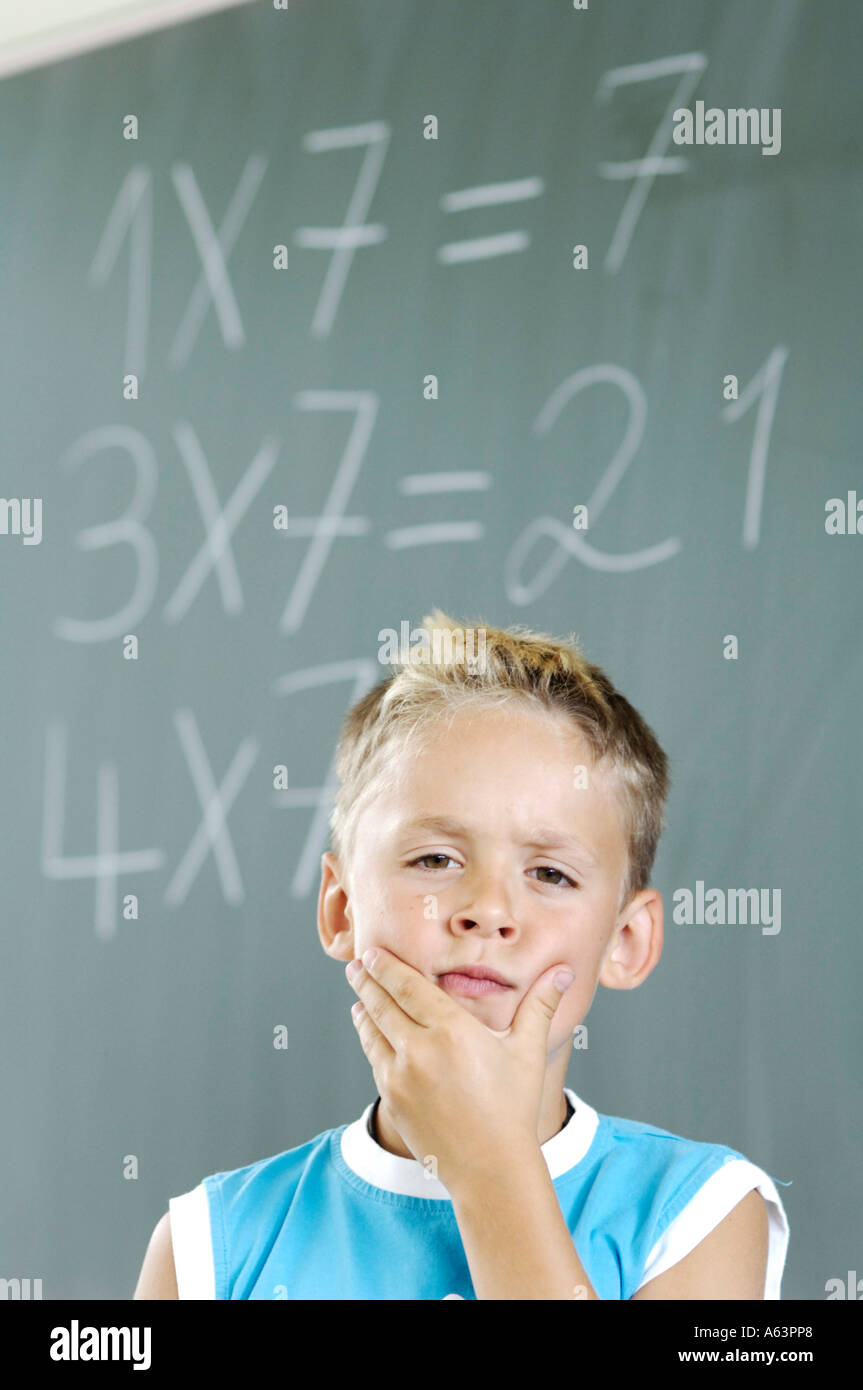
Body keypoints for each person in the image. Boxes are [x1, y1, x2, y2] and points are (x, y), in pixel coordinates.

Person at [134, 609, 789, 1299]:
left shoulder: (700, 1213)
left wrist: (485, 1165)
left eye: (549, 874)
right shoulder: (207, 1246)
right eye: (436, 858)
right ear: (341, 909)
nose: (489, 910)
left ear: (625, 942)